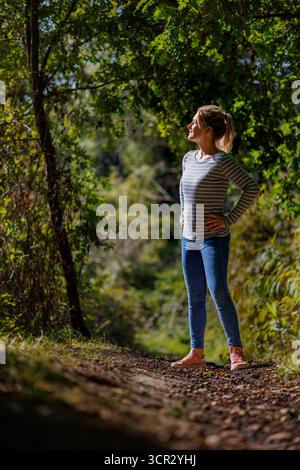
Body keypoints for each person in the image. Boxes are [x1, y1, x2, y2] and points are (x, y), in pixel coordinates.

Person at [171, 104, 260, 371]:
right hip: (189, 238)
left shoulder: (222, 162)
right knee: (195, 295)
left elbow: (251, 188)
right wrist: (183, 213)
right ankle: (196, 353)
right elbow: (184, 189)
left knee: (218, 290)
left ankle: (236, 353)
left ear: (207, 131)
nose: (189, 126)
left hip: (213, 238)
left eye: (194, 122)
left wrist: (228, 219)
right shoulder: (188, 159)